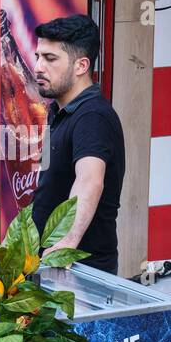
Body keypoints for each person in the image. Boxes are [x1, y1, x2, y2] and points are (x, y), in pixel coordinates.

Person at [31, 14, 125, 274]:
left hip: (80, 274)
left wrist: (65, 244)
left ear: (81, 66)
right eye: (38, 56)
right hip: (50, 269)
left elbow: (90, 180)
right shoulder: (61, 111)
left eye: (50, 59)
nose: (38, 66)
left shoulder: (92, 116)